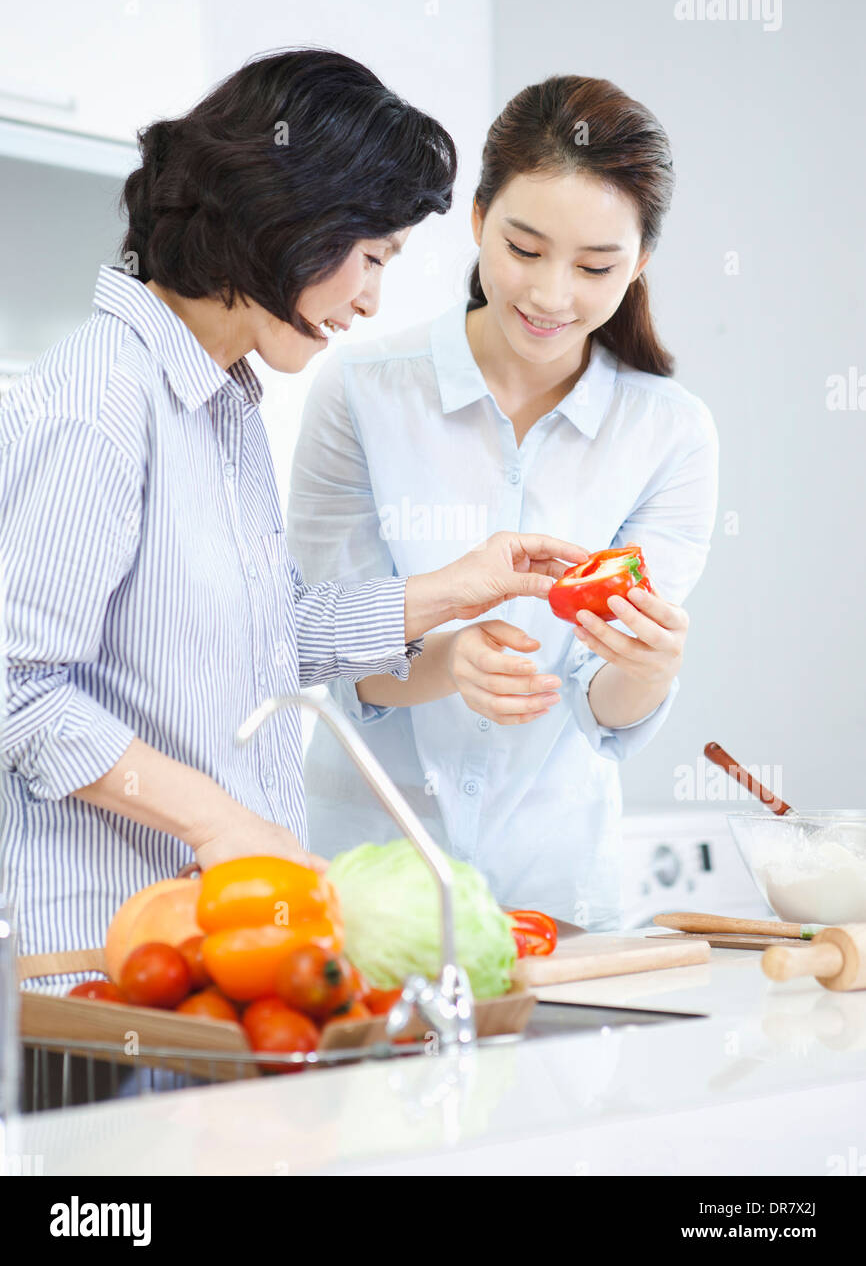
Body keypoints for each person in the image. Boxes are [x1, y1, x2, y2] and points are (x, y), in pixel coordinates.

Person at [0, 48, 586, 978]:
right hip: (99, 967)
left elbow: (268, 633)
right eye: (369, 258)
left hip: (217, 952)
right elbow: (19, 693)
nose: (370, 299)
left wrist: (458, 588)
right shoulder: (102, 398)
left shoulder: (221, 400)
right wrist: (224, 824)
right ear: (287, 217)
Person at [287, 74, 719, 929]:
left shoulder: (670, 434)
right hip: (368, 882)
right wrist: (448, 662)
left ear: (639, 265)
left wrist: (648, 670)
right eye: (524, 249)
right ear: (479, 219)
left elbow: (604, 702)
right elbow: (326, 637)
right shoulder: (362, 391)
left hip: (556, 895)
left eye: (597, 266)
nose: (552, 296)